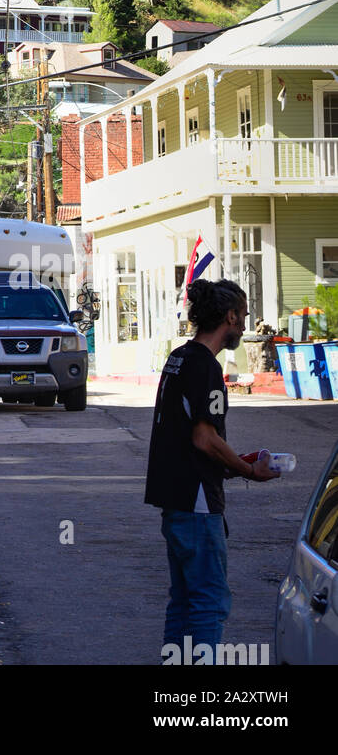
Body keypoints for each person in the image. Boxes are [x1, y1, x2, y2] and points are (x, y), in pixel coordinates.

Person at [145, 277, 279, 662]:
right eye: (244, 317)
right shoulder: (205, 367)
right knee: (209, 603)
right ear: (230, 317)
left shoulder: (180, 357)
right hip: (197, 502)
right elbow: (204, 439)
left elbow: (195, 434)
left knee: (185, 602)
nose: (245, 325)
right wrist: (249, 470)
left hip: (175, 498)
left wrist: (236, 461)